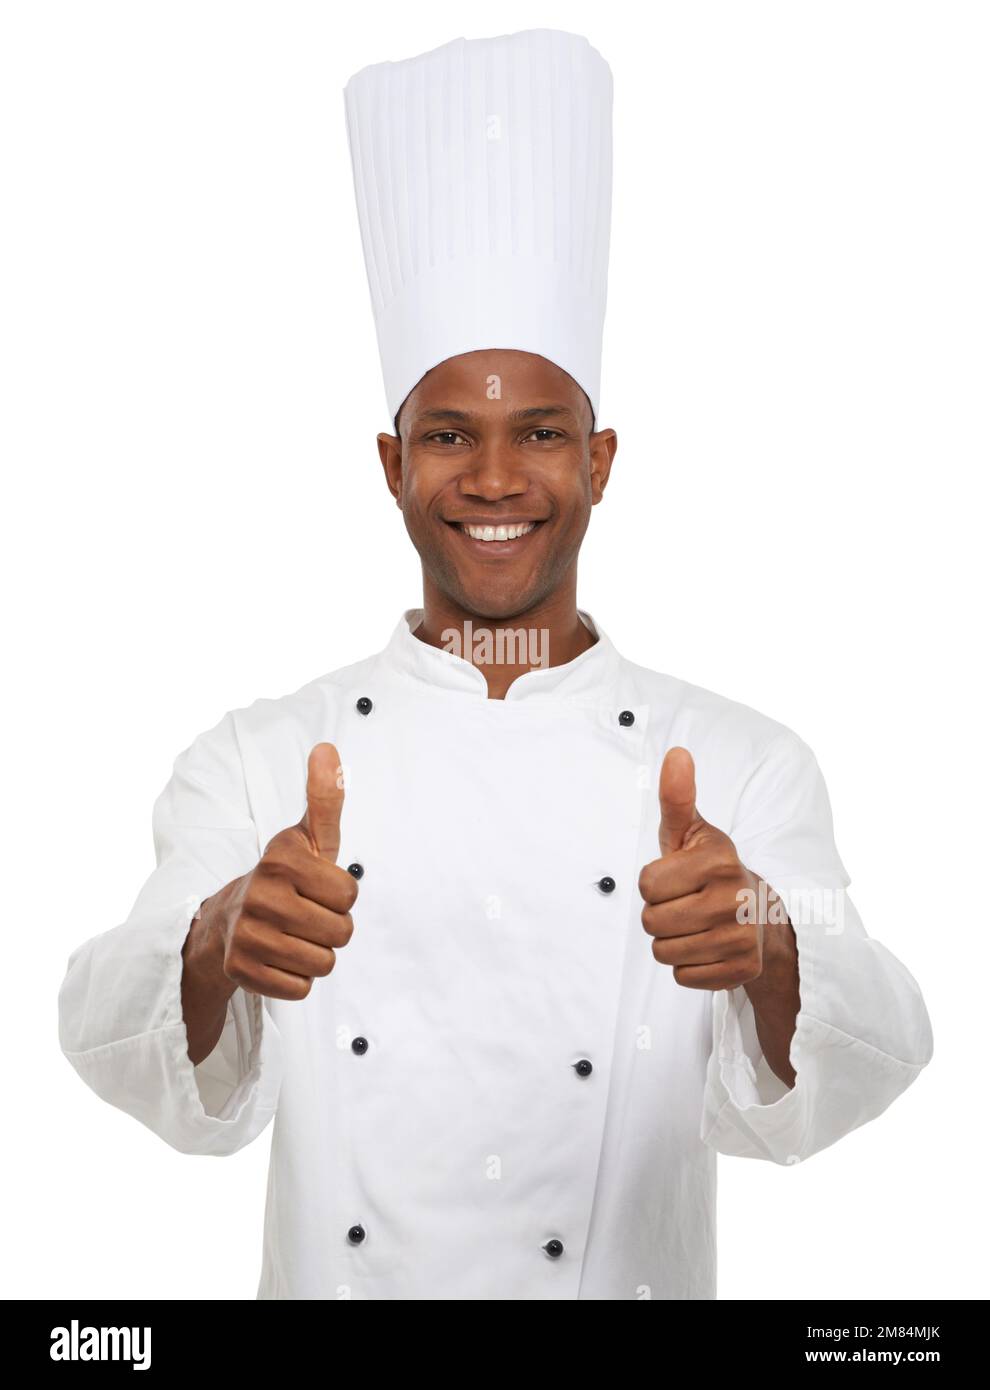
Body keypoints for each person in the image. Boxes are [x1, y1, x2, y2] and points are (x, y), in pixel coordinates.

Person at [58, 28, 933, 1301]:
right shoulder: (258, 756)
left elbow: (892, 1033)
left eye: (541, 433)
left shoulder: (741, 759)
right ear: (390, 462)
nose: (495, 480)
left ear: (603, 460)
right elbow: (99, 1024)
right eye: (449, 435)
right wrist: (218, 936)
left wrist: (768, 932)